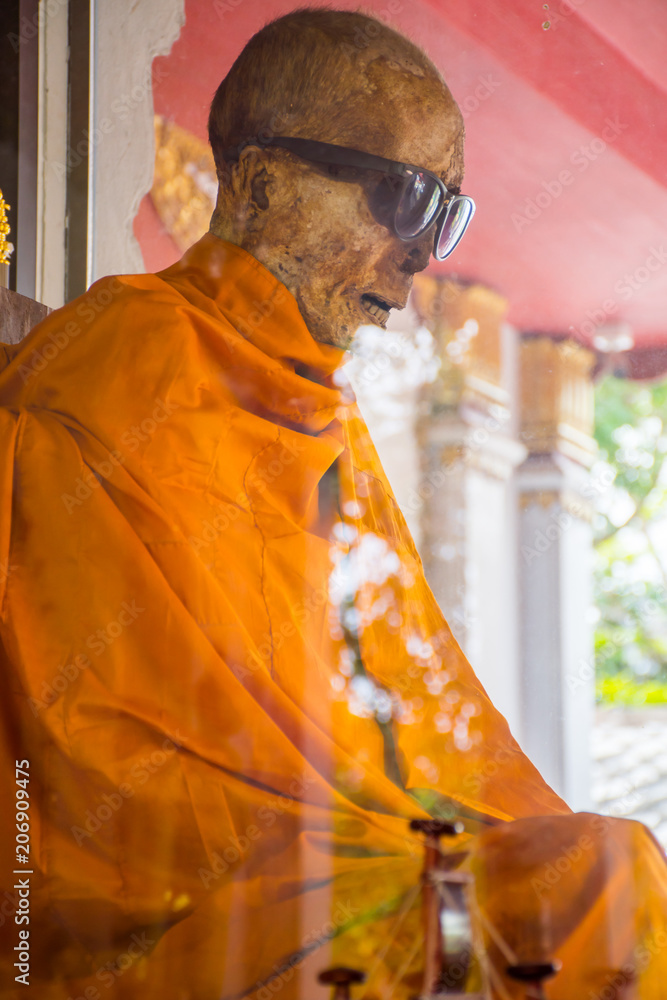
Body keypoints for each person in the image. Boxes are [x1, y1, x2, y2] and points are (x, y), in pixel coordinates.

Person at [0, 9, 665, 999]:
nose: (419, 254)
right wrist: (377, 856)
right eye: (400, 195)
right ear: (260, 182)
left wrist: (462, 848)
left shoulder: (325, 421)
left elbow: (409, 727)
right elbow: (89, 745)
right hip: (202, 893)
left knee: (607, 876)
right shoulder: (130, 359)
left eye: (445, 214)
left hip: (353, 853)